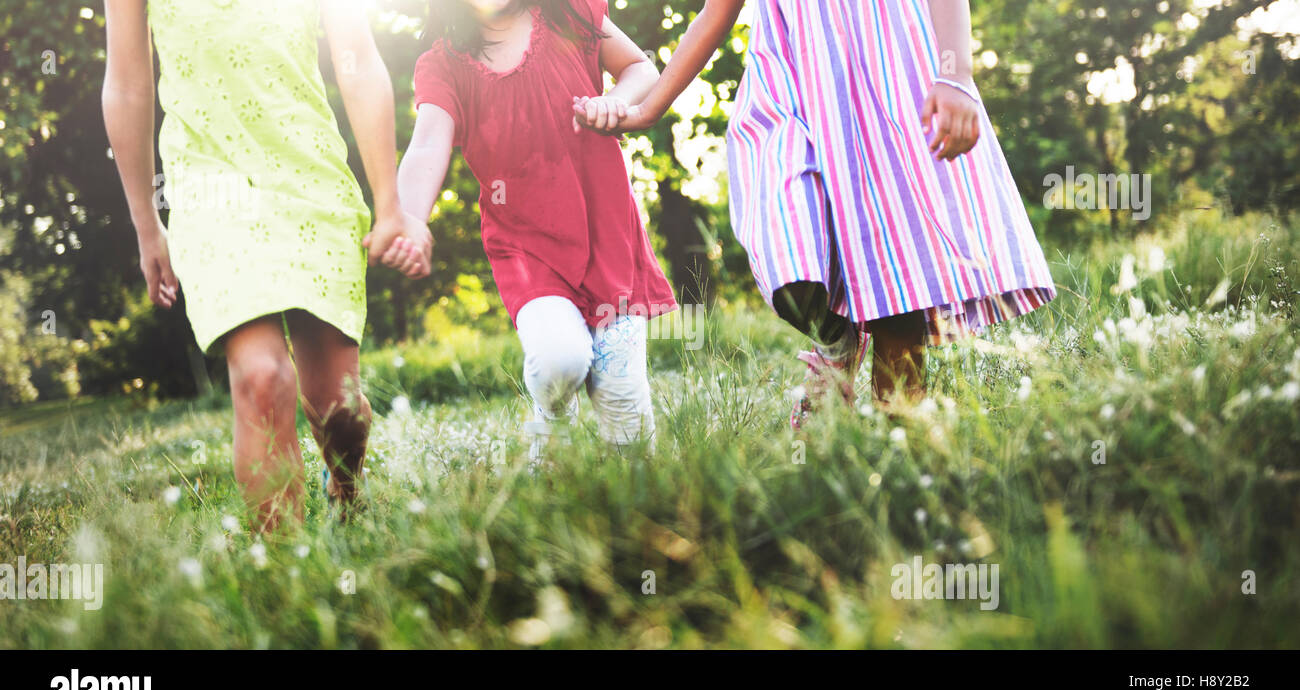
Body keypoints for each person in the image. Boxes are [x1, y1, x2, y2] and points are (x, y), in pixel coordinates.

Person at [575, 0, 1057, 425]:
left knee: (897, 289)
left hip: (889, 77)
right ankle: (836, 340)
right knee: (784, 245)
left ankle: (902, 446)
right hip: (788, 88)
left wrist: (956, 76)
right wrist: (649, 109)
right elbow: (716, 11)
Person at [103, 0, 432, 530]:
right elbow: (126, 85)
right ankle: (286, 573)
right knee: (261, 378)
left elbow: (358, 59)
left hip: (310, 177)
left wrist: (389, 204)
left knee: (338, 410)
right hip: (209, 184)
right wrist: (147, 225)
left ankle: (346, 487)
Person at [398, 0, 675, 459]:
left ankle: (637, 503)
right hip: (527, 247)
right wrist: (408, 219)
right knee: (559, 360)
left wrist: (614, 102)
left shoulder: (571, 14)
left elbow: (639, 69)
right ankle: (550, 437)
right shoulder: (444, 63)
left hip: (607, 235)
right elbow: (427, 143)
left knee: (624, 404)